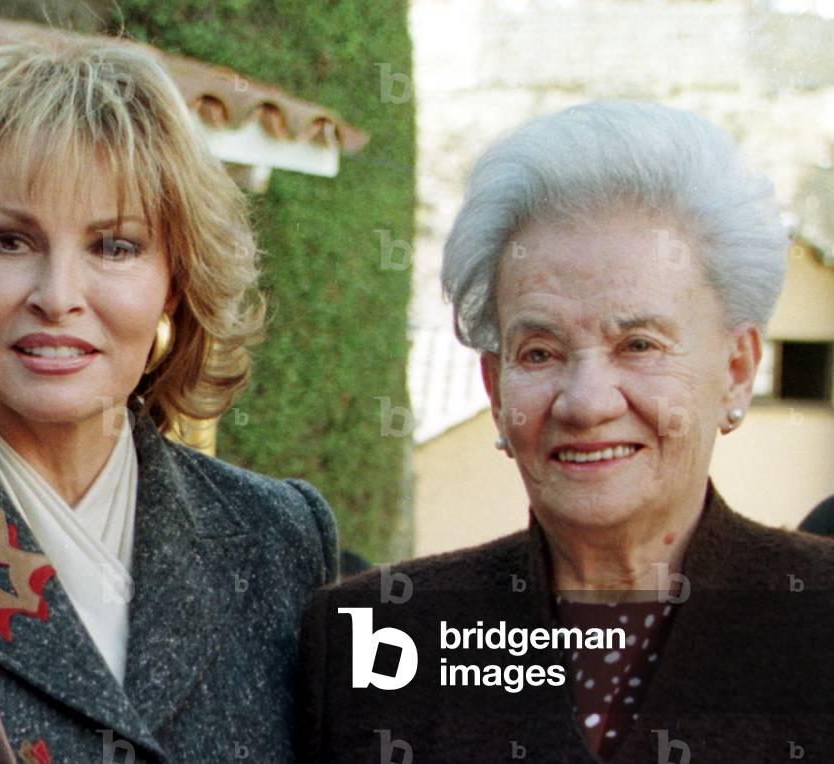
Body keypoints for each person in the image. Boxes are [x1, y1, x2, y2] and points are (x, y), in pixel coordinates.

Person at [0, 40, 337, 762]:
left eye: (113, 247)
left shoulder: (280, 539)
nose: (57, 296)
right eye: (11, 240)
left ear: (174, 281)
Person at [297, 102, 834, 762]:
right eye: (540, 353)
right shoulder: (373, 640)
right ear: (495, 389)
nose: (584, 403)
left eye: (638, 344)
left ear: (735, 369)